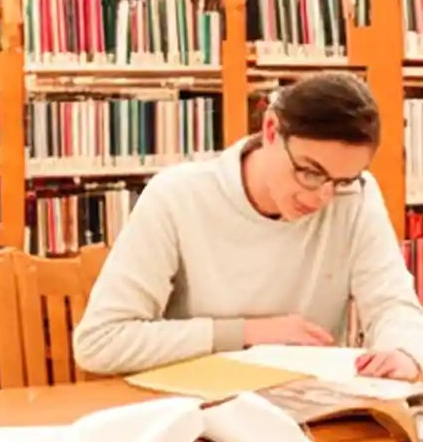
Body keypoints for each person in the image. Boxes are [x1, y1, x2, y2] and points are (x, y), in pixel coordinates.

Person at [73, 72, 423, 380]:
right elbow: (100, 342)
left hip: (310, 412)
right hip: (196, 415)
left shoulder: (357, 196)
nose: (322, 196)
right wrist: (248, 332)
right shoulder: (177, 196)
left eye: (342, 180)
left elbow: (392, 303)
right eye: (310, 172)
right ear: (271, 130)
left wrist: (405, 353)